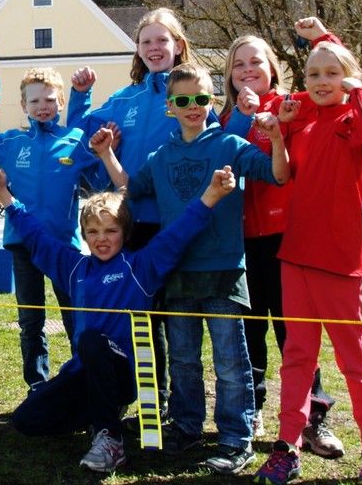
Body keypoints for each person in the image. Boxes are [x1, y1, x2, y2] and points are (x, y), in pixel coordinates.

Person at [90, 62, 289, 476]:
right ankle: (187, 427)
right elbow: (128, 185)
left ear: (211, 101)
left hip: (222, 271)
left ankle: (237, 439)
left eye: (200, 98)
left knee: (231, 361)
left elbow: (277, 174)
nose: (192, 106)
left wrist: (276, 138)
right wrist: (106, 153)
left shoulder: (230, 145)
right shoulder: (161, 156)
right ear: (171, 107)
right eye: (183, 100)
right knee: (183, 359)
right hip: (176, 272)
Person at [0, 165, 237, 474]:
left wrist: (212, 194)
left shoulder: (141, 266)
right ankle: (100, 414)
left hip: (125, 373)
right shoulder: (74, 268)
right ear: (84, 235)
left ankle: (111, 439)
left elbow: (178, 233)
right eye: (93, 232)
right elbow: (37, 237)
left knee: (92, 341)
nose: (101, 239)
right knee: (26, 420)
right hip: (84, 371)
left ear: (125, 233)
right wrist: (4, 195)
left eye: (110, 231)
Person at [66, 8, 251, 415]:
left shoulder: (193, 96)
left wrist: (246, 115)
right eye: (145, 41)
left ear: (178, 45)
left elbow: (224, 142)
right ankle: (158, 399)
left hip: (182, 226)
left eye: (161, 40)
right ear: (137, 49)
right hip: (135, 226)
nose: (153, 47)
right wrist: (81, 101)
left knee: (184, 321)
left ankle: (196, 407)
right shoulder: (124, 99)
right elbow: (79, 140)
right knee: (144, 319)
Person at [252, 31, 362, 485]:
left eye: (332, 73)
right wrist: (277, 125)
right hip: (294, 256)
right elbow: (270, 144)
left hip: (339, 261)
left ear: (350, 80)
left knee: (354, 360)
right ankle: (286, 447)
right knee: (297, 357)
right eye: (313, 73)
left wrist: (358, 87)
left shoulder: (356, 115)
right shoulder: (302, 115)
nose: (321, 80)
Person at [219, 20, 342, 456]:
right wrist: (242, 116)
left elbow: (339, 77)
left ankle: (314, 421)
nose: (247, 69)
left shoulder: (295, 105)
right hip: (242, 243)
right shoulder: (224, 117)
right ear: (230, 74)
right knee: (249, 337)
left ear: (272, 68)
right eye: (239, 64)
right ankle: (250, 420)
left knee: (297, 336)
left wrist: (323, 38)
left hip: (289, 239)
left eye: (256, 62)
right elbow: (224, 159)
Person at [0, 67, 98, 388]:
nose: (42, 106)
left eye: (50, 99)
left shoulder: (75, 141)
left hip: (65, 246)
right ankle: (38, 384)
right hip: (24, 245)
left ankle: (83, 381)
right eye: (34, 100)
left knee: (75, 317)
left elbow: (102, 178)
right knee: (31, 319)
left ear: (62, 102)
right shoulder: (12, 142)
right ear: (23, 106)